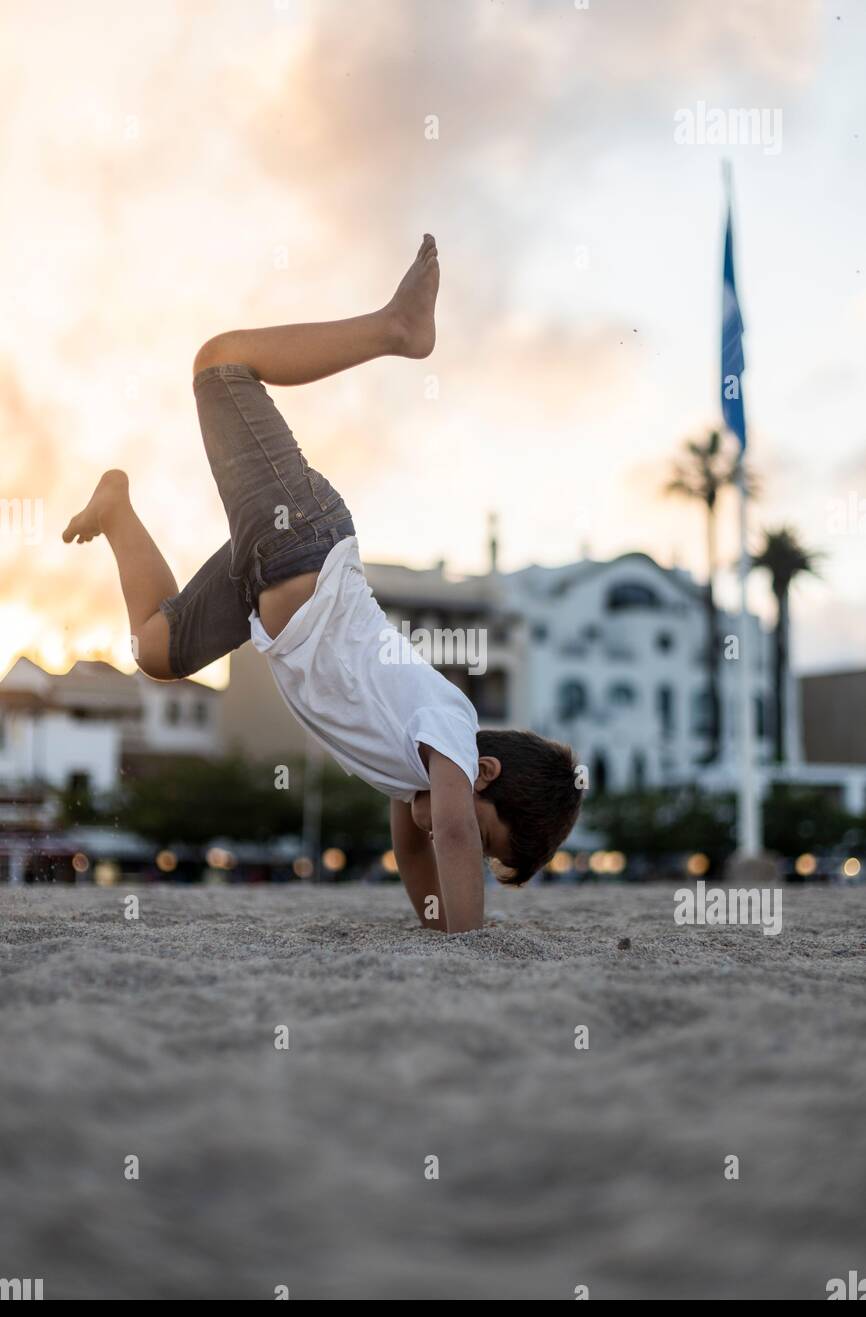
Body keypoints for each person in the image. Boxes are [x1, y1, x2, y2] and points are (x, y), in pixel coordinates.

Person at [63, 236, 582, 930]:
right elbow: (451, 838)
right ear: (484, 775)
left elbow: (418, 856)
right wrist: (470, 942)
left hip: (263, 582)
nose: (456, 835)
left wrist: (434, 927)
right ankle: (396, 329)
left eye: (484, 857)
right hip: (304, 539)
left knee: (158, 650)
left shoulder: (411, 777)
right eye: (490, 840)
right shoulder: (452, 730)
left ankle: (119, 512)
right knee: (219, 365)